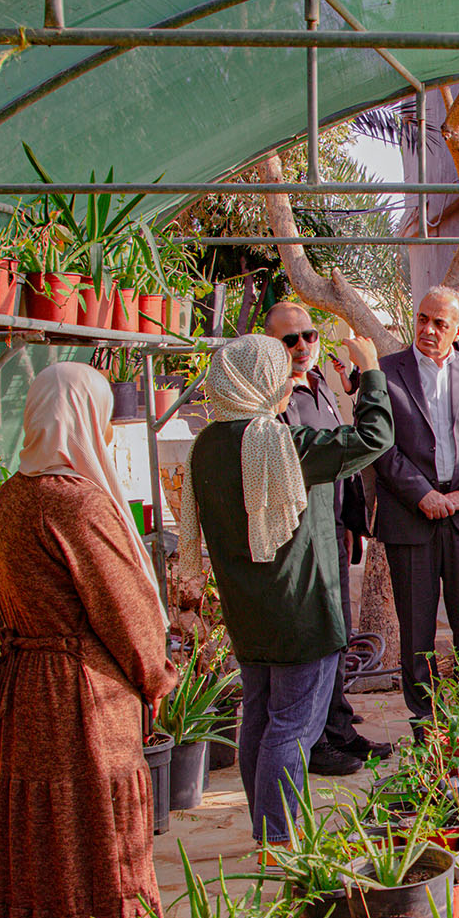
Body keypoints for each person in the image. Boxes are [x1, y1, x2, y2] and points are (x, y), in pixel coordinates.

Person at [0, 361, 177, 918]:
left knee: (41, 852)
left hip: (27, 688)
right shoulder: (77, 504)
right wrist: (158, 675)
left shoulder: (9, 499)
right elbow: (125, 611)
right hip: (81, 699)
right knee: (98, 845)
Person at [180, 334, 393, 846]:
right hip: (300, 609)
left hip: (247, 611)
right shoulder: (276, 444)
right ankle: (280, 842)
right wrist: (370, 371)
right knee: (293, 728)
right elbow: (373, 437)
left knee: (258, 716)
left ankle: (265, 831)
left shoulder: (206, 443)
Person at [373, 286, 459, 732]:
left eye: (440, 324)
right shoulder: (387, 371)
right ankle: (423, 719)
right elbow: (381, 445)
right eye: (423, 319)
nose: (428, 330)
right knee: (416, 629)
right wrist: (420, 494)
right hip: (412, 518)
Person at [266, 302, 384, 775]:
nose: (301, 347)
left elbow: (344, 462)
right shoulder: (275, 397)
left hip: (331, 527)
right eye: (290, 339)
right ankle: (314, 743)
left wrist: (353, 522)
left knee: (339, 631)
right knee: (317, 637)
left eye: (309, 336)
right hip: (301, 535)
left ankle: (338, 728)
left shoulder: (320, 385)